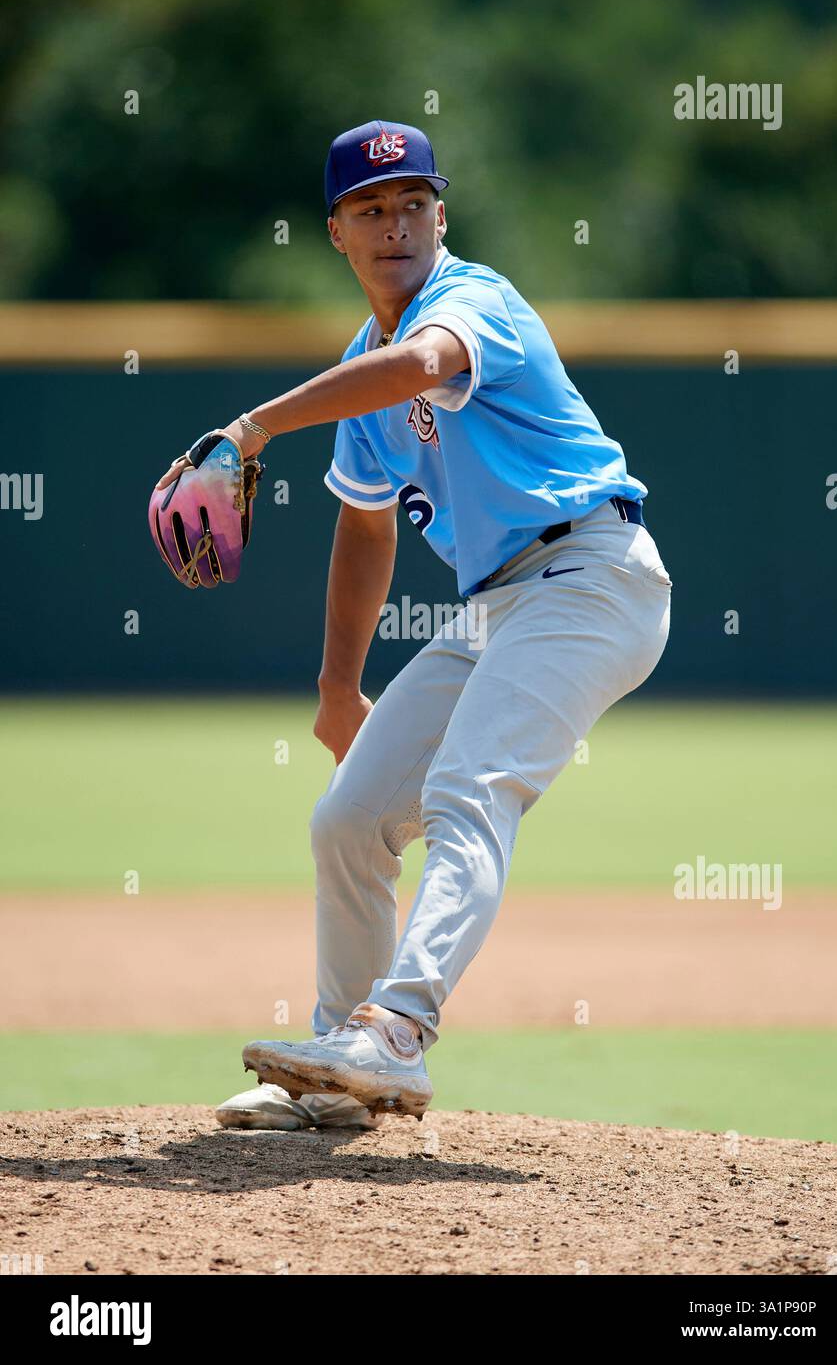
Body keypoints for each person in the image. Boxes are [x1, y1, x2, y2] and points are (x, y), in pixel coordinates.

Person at [158, 119, 672, 1132]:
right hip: (500, 604)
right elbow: (362, 525)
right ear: (336, 234)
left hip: (592, 576)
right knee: (347, 820)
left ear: (441, 214)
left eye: (411, 203)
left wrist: (253, 425)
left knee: (469, 786)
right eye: (368, 208)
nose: (393, 222)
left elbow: (416, 367)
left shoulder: (469, 302)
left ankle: (395, 1035)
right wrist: (336, 687)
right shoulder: (359, 362)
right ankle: (332, 1074)